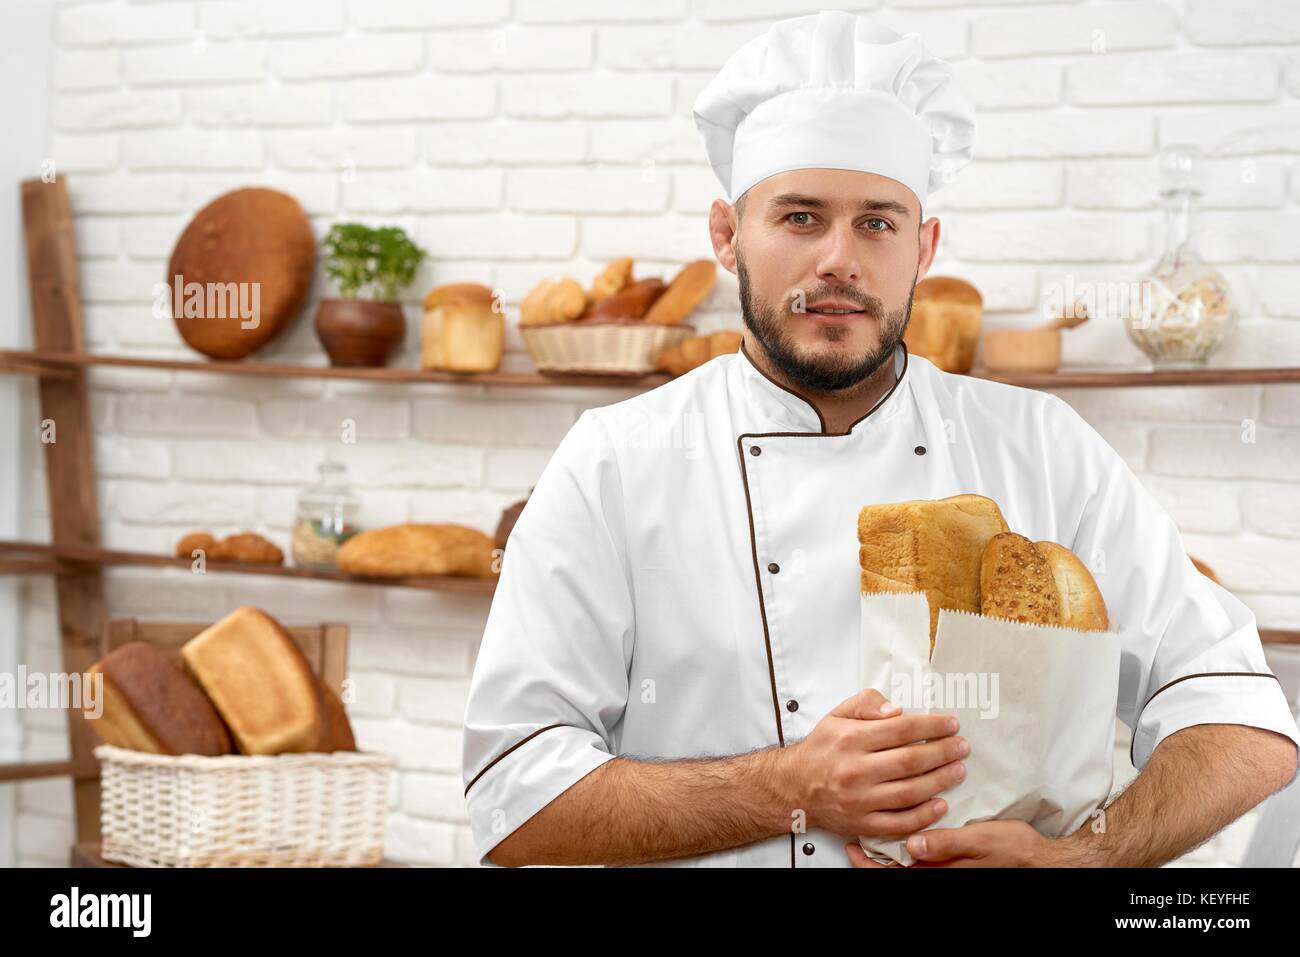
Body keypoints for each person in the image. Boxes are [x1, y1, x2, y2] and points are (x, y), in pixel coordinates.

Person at [461, 10, 1299, 868]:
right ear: (726, 236)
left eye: (877, 222)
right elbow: (513, 794)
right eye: (798, 218)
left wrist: (1083, 859)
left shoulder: (1042, 447)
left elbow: (1247, 722)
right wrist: (789, 785)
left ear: (923, 245)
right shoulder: (616, 460)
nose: (839, 259)